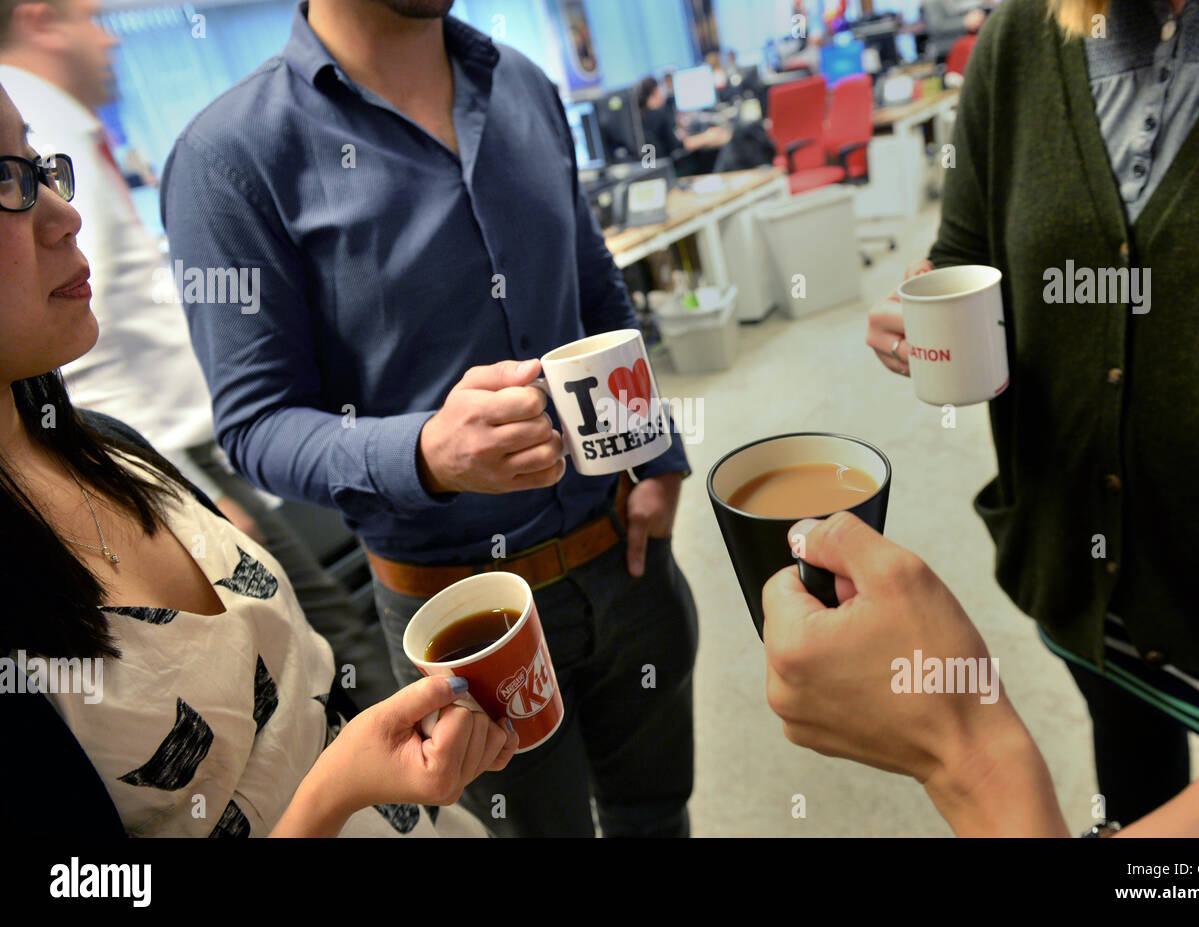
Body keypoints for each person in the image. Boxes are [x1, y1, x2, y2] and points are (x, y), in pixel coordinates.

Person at [761, 0, 1199, 837]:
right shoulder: (1023, 40)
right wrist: (935, 316)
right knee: (1129, 795)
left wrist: (966, 755)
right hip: (1085, 567)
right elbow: (969, 251)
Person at [160, 0, 698, 838]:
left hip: (622, 550)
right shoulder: (229, 159)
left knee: (657, 812)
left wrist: (658, 451)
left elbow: (591, 288)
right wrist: (426, 452)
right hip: (461, 612)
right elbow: (257, 423)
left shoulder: (520, 82)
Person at [0, 85, 517, 837]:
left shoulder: (107, 445)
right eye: (4, 183)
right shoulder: (231, 153)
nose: (63, 213)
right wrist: (332, 794)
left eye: (39, 166)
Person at [0, 0, 398, 711]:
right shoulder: (30, 118)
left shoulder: (58, 132)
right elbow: (79, 370)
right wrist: (185, 491)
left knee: (313, 654)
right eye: (95, 19)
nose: (110, 41)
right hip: (156, 457)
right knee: (332, 664)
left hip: (152, 453)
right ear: (41, 19)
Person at [637, 75, 730, 173]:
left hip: (654, 169)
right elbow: (680, 146)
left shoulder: (641, 115)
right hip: (673, 169)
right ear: (656, 91)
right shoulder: (659, 114)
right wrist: (707, 136)